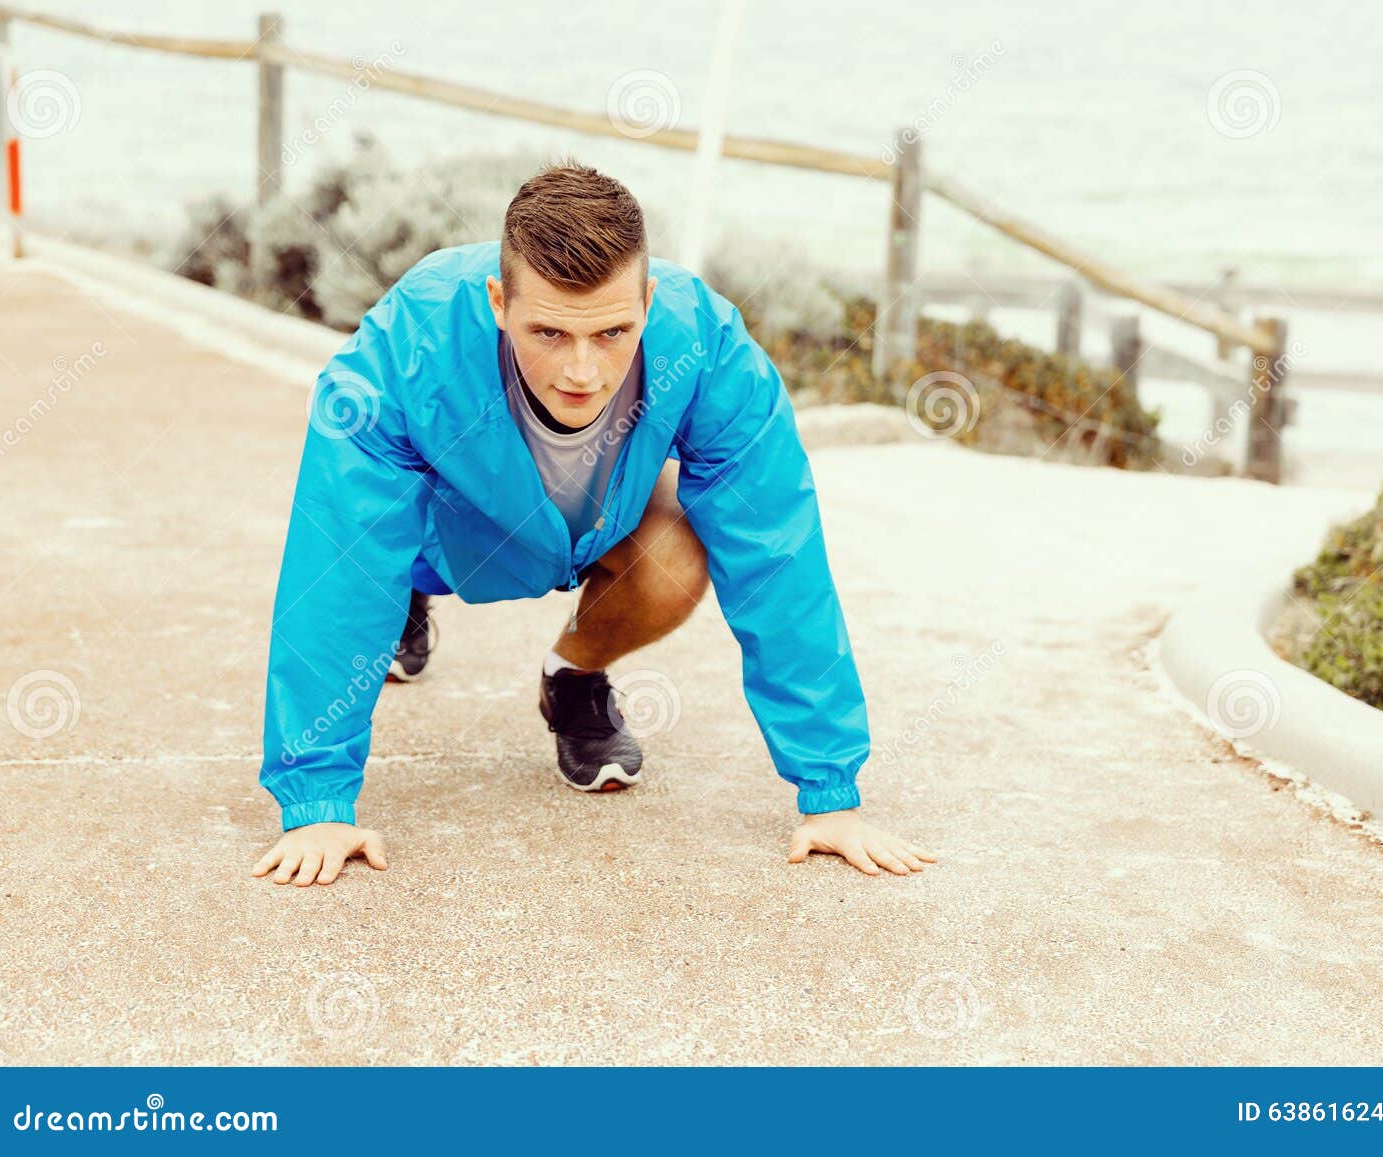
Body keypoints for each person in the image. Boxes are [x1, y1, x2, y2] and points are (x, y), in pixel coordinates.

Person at [249, 163, 935, 887]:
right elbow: (342, 557)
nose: (583, 370)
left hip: (600, 526)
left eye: (613, 332)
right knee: (378, 573)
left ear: (647, 299)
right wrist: (317, 801)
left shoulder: (705, 343)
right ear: (498, 302)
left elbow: (777, 552)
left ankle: (573, 678)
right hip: (446, 534)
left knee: (681, 551)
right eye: (548, 331)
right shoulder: (404, 350)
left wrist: (830, 792)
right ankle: (408, 604)